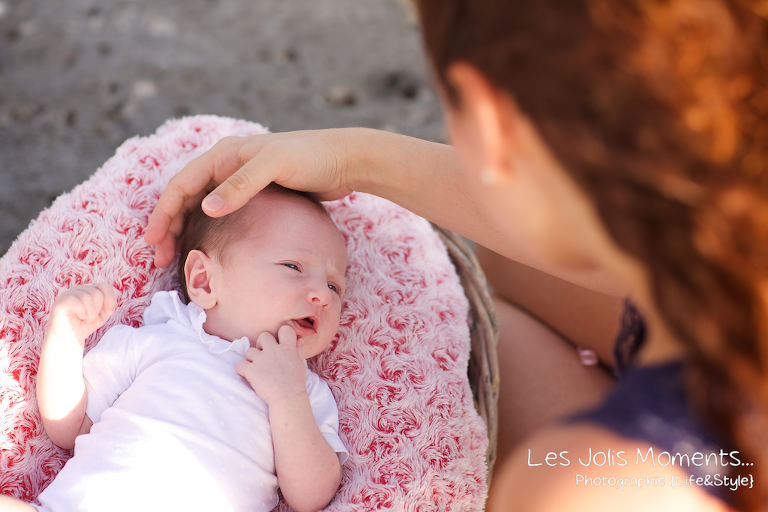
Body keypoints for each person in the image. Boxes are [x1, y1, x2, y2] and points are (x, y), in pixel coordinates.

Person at [143, 1, 766, 511]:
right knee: (499, 281)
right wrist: (356, 157)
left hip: (713, 464)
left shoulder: (575, 493)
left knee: (487, 346)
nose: (324, 294)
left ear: (490, 120)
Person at [3, 185, 348, 512]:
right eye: (293, 266)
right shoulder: (157, 341)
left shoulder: (305, 392)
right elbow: (68, 426)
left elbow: (311, 496)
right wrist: (65, 337)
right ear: (204, 280)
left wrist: (288, 398)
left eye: (335, 286)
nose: (322, 294)